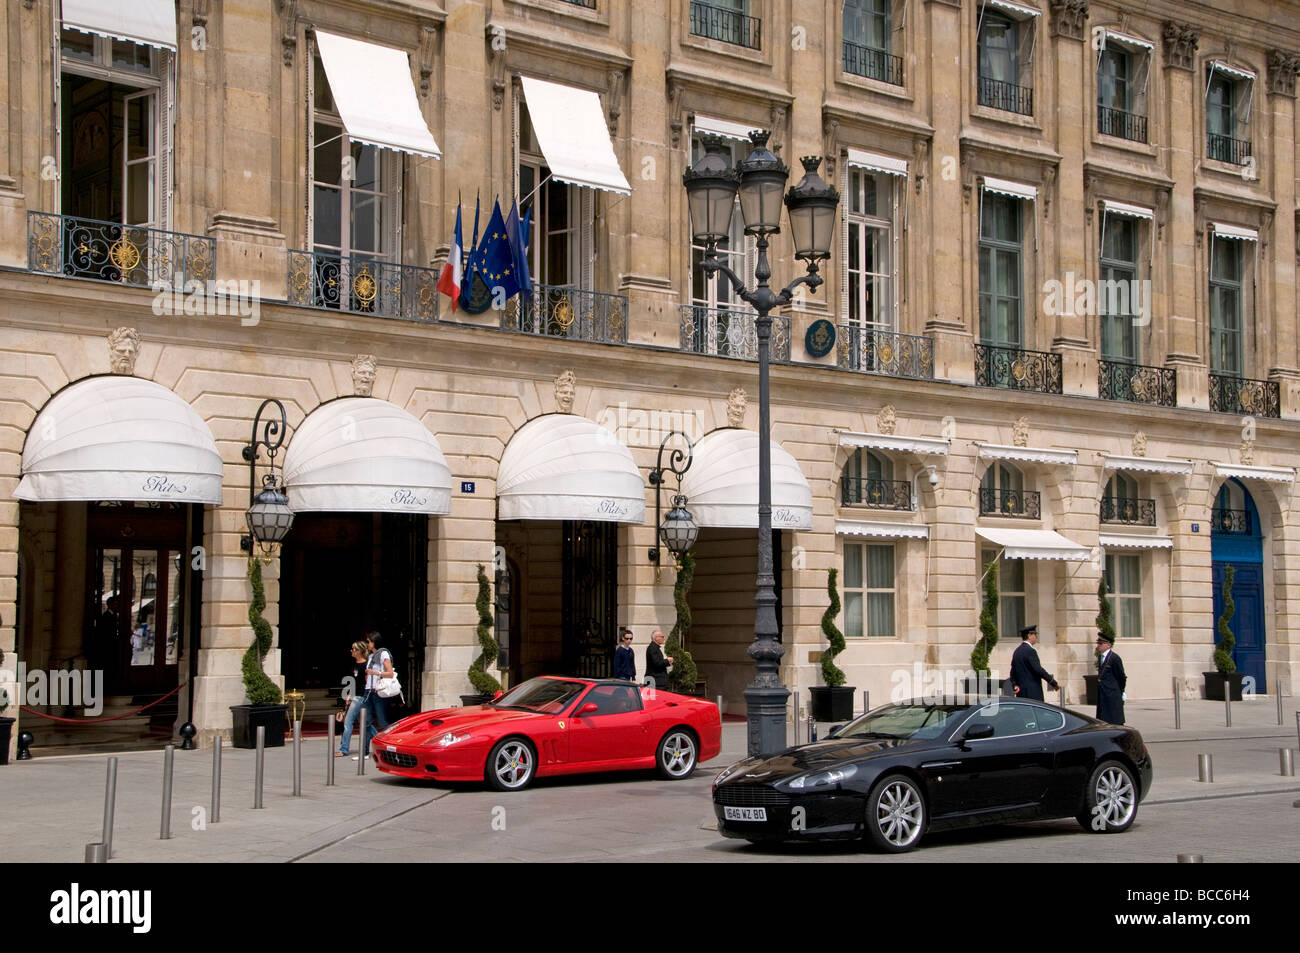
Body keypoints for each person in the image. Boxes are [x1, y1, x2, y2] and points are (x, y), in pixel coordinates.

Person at [360, 632, 394, 755]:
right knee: (365, 721)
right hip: (368, 691)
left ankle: (389, 748)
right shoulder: (370, 656)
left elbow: (390, 673)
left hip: (377, 692)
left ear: (374, 642)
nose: (367, 644)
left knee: (382, 721)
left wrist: (376, 673)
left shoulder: (383, 653)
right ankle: (364, 752)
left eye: (369, 641)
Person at [336, 640, 369, 759]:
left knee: (348, 721)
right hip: (355, 696)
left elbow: (367, 684)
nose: (351, 651)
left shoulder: (366, 666)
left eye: (354, 649)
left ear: (359, 651)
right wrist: (349, 695)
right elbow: (353, 682)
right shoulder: (355, 664)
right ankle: (381, 739)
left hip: (361, 697)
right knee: (367, 724)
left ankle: (344, 749)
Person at [1009, 624, 1058, 700]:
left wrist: (1014, 685)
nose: (1036, 637)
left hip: (1021, 692)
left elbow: (1013, 672)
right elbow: (1038, 670)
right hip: (1033, 692)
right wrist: (1052, 682)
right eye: (1035, 634)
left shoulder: (1017, 651)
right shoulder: (1030, 651)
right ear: (1029, 635)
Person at [1096, 630, 1127, 724]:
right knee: (1103, 720)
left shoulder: (1114, 658)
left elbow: (1121, 677)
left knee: (1113, 721)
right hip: (1103, 695)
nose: (1098, 645)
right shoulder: (1101, 657)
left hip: (1112, 695)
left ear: (1108, 645)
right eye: (1098, 643)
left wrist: (1120, 691)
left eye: (1100, 643)